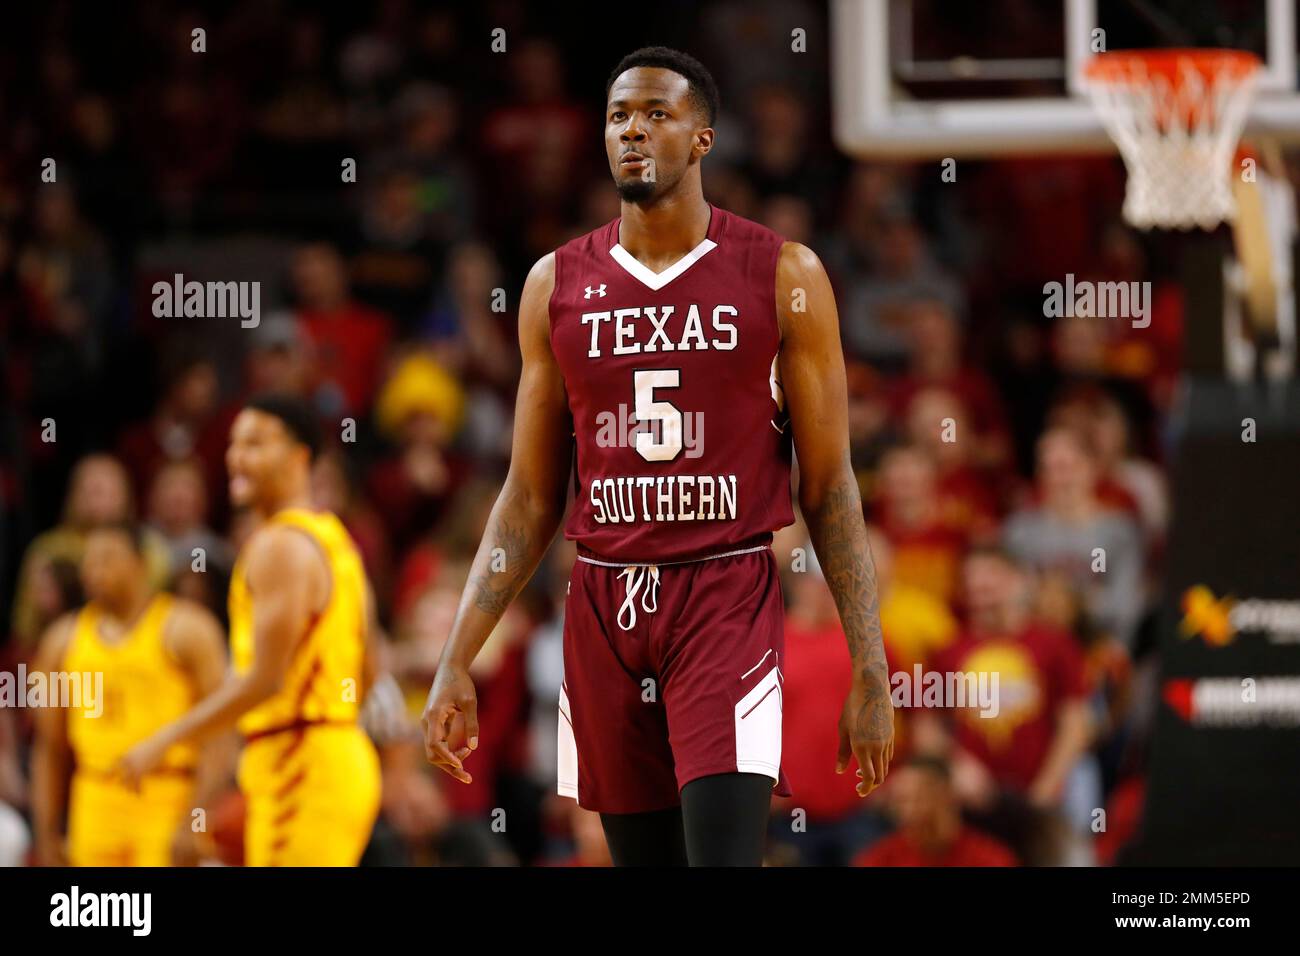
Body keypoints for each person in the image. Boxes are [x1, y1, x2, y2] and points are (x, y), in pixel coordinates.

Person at [421, 46, 893, 866]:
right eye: (616, 117)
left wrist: (872, 664)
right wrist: (458, 655)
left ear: (703, 139)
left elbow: (828, 483)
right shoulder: (553, 284)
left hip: (724, 593)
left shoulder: (785, 274)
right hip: (602, 602)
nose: (631, 132)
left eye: (655, 115)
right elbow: (530, 496)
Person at [118, 394, 383, 866]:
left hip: (303, 767)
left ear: (301, 457)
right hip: (333, 758)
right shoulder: (335, 538)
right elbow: (371, 666)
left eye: (256, 443)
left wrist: (165, 739)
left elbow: (265, 679)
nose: (236, 456)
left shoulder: (279, 545)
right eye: (235, 444)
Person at [30, 521, 228, 866]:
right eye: (88, 561)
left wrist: (195, 819)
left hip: (167, 796)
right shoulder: (61, 641)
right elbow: (49, 749)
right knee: (98, 917)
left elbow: (222, 735)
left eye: (107, 558)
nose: (94, 570)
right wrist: (46, 835)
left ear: (141, 564)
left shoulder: (188, 629)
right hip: (93, 798)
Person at [853, 757, 1017, 867]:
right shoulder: (880, 859)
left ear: (947, 797)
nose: (908, 812)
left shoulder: (991, 859)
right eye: (901, 802)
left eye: (919, 800)